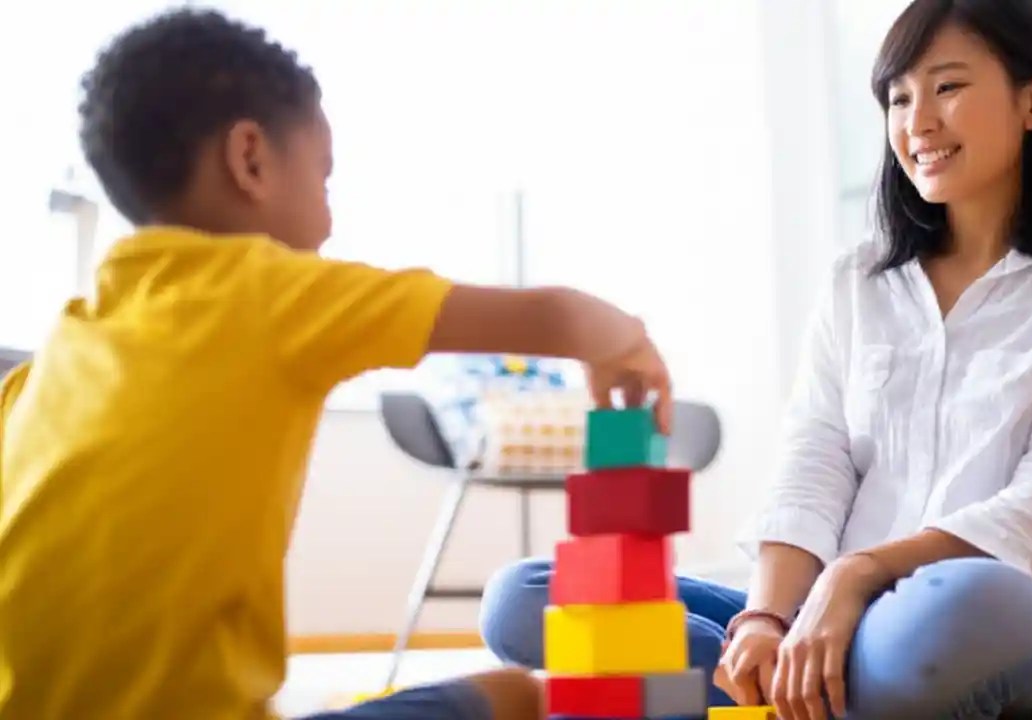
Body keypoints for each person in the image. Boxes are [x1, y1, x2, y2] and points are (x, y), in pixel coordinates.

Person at [479, 0, 1032, 717]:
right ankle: (790, 676)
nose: (917, 122)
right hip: (831, 618)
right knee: (524, 598)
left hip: (993, 618)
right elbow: (815, 458)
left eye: (948, 87)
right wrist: (765, 619)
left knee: (954, 613)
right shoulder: (857, 281)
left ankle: (798, 680)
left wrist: (857, 575)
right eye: (898, 97)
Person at [0, 8, 675, 720]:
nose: (329, 221)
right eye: (324, 179)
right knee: (522, 695)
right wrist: (628, 342)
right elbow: (557, 318)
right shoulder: (266, 292)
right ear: (251, 159)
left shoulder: (61, 354)